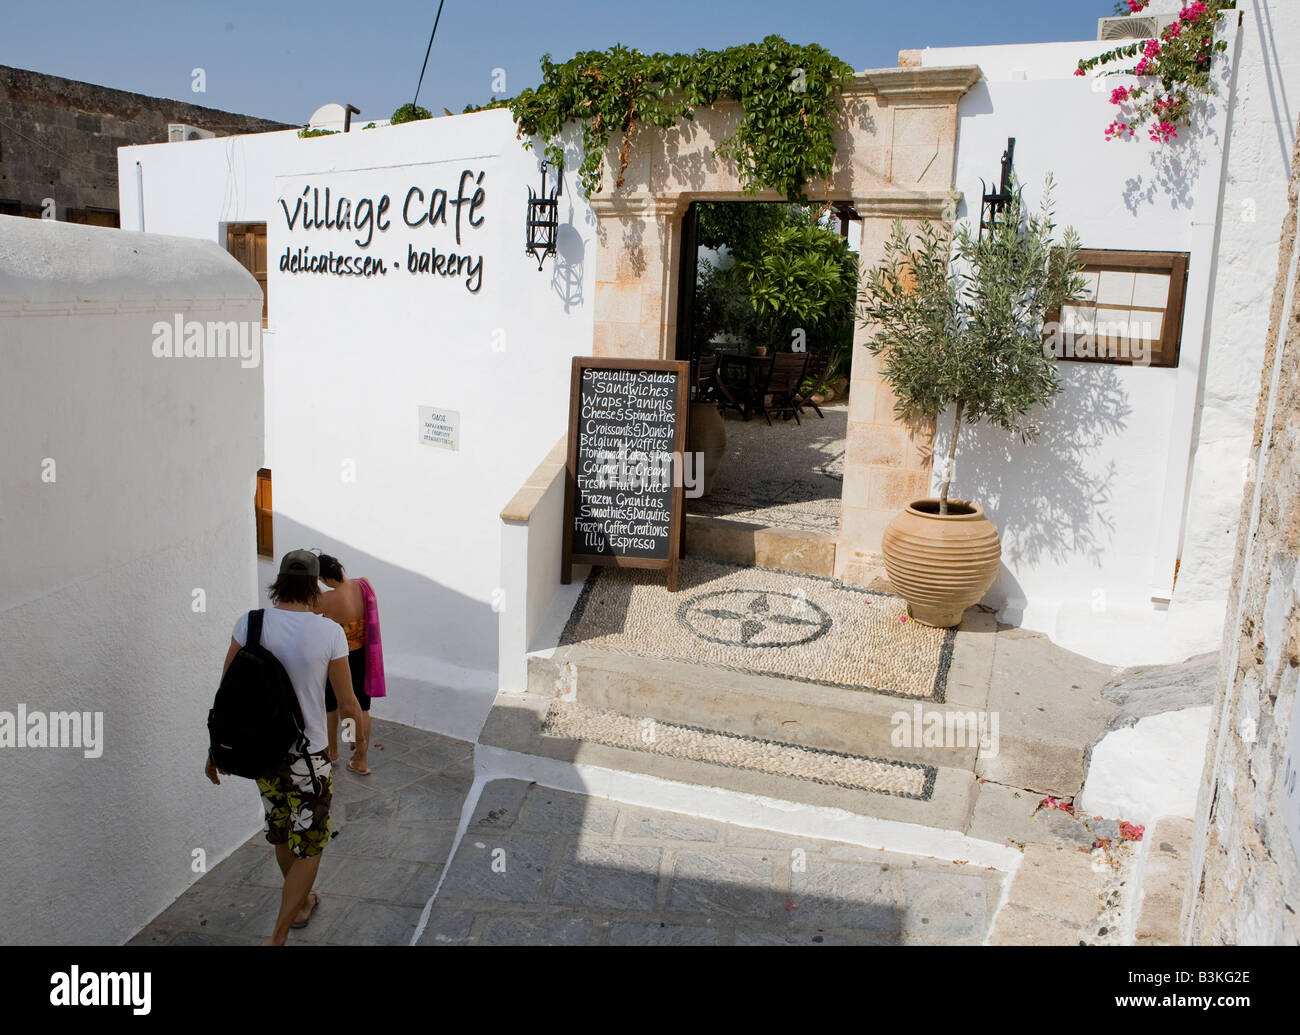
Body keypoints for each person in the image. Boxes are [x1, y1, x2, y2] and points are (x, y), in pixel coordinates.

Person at [205, 549, 361, 946]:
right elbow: (346, 702)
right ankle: (277, 936)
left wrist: (215, 750)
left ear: (279, 580)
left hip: (262, 754)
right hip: (308, 759)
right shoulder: (328, 632)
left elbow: (227, 697)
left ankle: (303, 901)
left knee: (282, 832)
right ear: (312, 585)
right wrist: (359, 740)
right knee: (310, 843)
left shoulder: (250, 624)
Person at [316, 553, 382, 775]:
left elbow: (305, 616)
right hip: (363, 655)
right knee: (362, 706)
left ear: (323, 578)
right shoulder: (364, 585)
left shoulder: (326, 599)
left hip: (337, 659)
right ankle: (360, 760)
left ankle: (332, 753)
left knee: (331, 705)